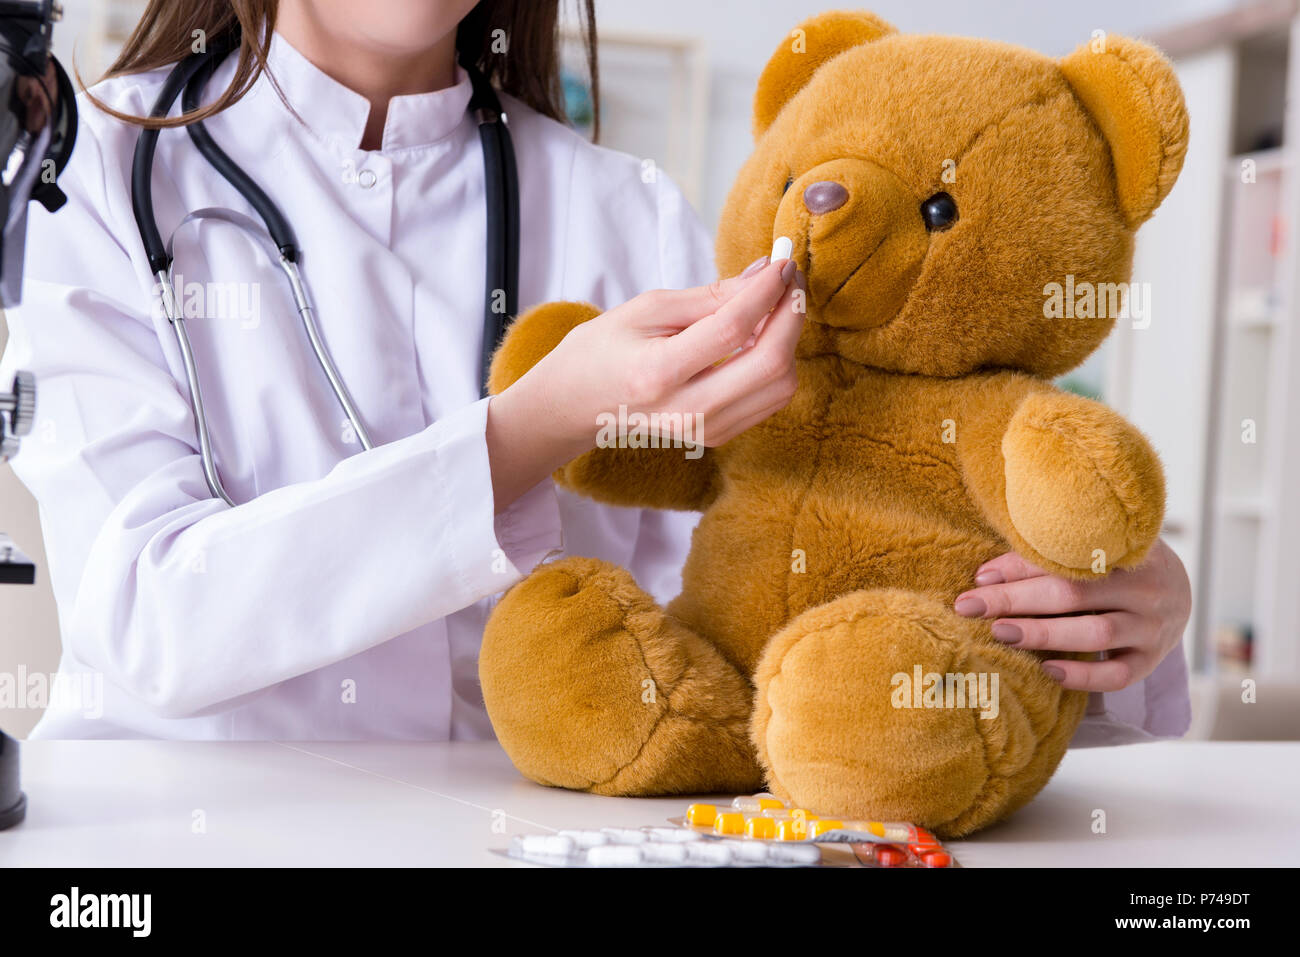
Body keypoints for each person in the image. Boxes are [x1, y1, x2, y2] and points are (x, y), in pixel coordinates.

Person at [0, 0, 1190, 742]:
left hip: (531, 828)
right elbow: (149, 624)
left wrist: (1114, 620)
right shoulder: (90, 174)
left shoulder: (627, 211)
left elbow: (775, 604)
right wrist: (544, 420)